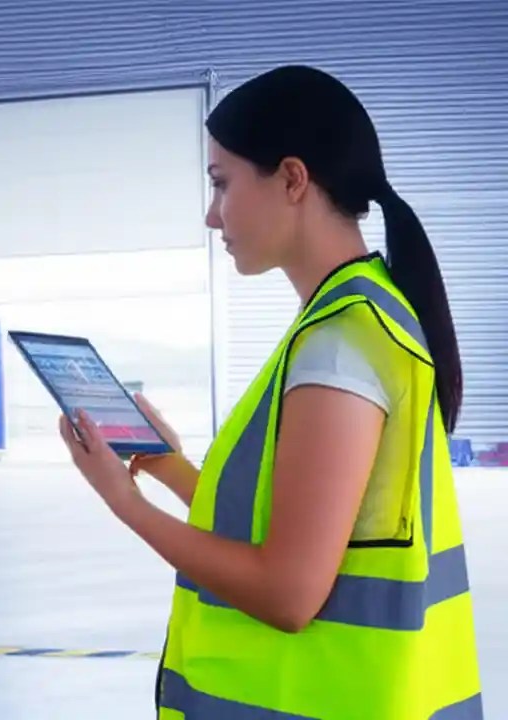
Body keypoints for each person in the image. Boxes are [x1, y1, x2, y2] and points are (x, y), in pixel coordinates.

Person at [58, 65, 482, 718]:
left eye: (221, 183)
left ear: (291, 179)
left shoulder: (340, 345)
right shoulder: (355, 321)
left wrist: (127, 504)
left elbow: (288, 591)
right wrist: (167, 468)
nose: (210, 214)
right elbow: (297, 534)